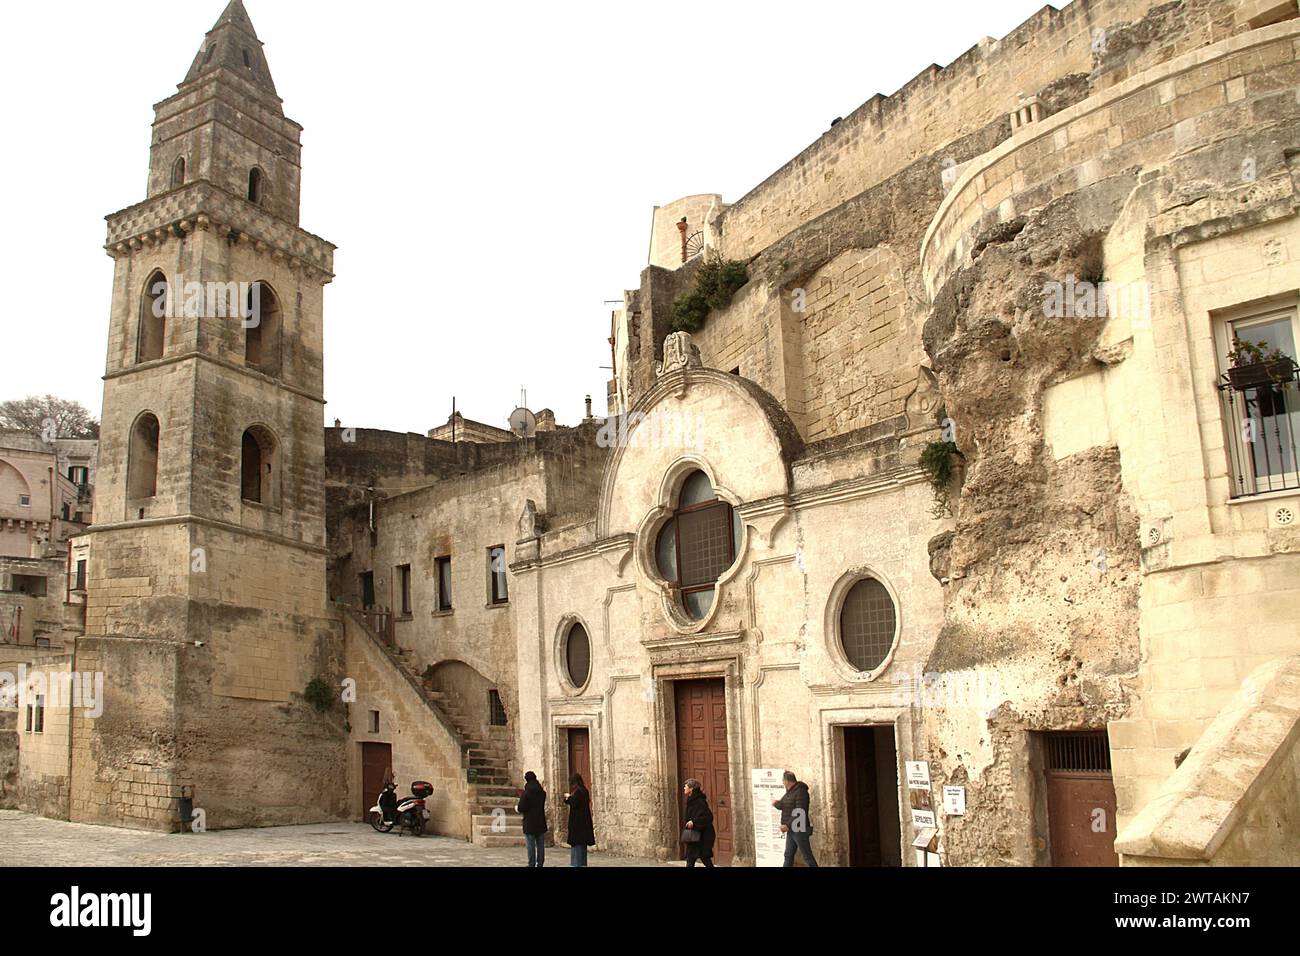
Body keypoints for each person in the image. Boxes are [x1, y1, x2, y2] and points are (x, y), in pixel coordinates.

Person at [772, 770, 818, 867]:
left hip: (799, 829)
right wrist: (776, 804)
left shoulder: (801, 792)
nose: (783, 783)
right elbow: (784, 805)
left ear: (787, 781)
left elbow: (800, 811)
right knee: (788, 856)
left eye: (783, 781)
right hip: (791, 830)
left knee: (807, 856)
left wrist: (787, 825)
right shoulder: (790, 792)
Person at [681, 778, 715, 868]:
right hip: (694, 836)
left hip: (703, 836)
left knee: (704, 859)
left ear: (691, 789)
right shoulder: (691, 800)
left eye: (686, 786)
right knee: (691, 859)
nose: (684, 788)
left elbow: (708, 817)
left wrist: (694, 822)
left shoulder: (699, 801)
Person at [516, 771, 548, 867]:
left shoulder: (527, 793)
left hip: (529, 822)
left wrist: (517, 808)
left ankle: (531, 863)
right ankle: (540, 863)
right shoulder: (542, 793)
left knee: (530, 846)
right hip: (540, 821)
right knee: (541, 845)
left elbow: (521, 807)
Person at [564, 773, 595, 867]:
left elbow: (574, 803)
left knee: (577, 847)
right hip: (584, 823)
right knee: (582, 847)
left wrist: (568, 798)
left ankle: (576, 865)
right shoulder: (584, 790)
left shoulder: (578, 792)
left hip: (578, 824)